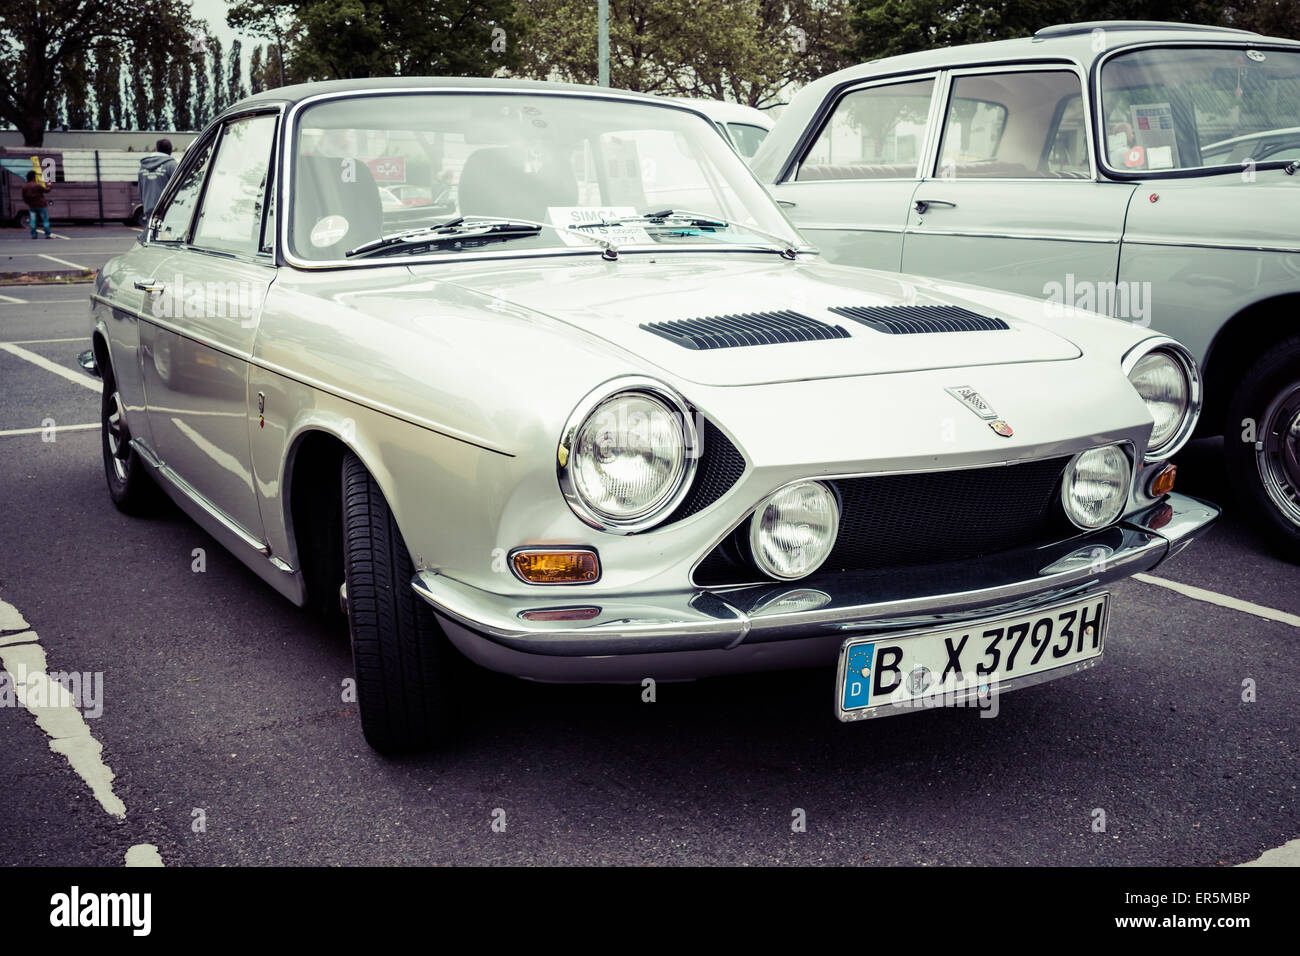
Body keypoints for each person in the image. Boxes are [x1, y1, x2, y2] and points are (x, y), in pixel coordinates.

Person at [138, 138, 177, 224]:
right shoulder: (172, 165)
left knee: (152, 235)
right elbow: (179, 188)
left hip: (149, 209)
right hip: (167, 210)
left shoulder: (143, 166)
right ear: (170, 151)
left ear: (157, 149)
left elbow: (140, 190)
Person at [21, 171, 52, 239]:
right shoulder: (37, 185)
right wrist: (49, 186)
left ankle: (34, 235)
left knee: (33, 220)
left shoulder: (24, 187)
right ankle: (47, 234)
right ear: (33, 177)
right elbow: (46, 191)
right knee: (45, 220)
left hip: (32, 206)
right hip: (41, 205)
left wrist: (28, 203)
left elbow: (24, 197)